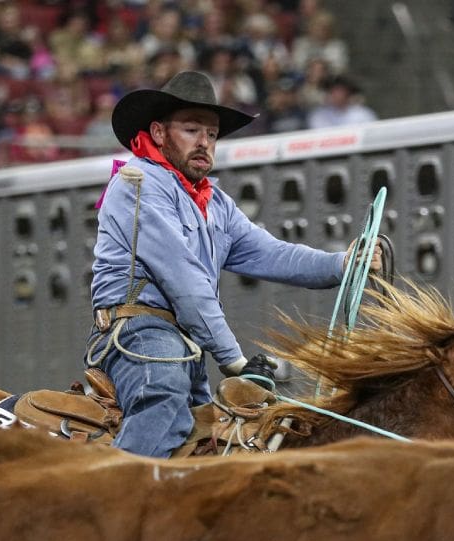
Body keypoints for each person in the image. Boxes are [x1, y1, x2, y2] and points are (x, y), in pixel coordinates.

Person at [86, 70, 380, 458]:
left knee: (223, 438)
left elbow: (271, 253)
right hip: (138, 334)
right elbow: (184, 280)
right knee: (165, 404)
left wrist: (343, 264)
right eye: (192, 130)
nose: (204, 143)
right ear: (158, 133)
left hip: (181, 347)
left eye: (211, 134)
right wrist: (234, 361)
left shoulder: (216, 205)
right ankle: (109, 506)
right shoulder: (137, 184)